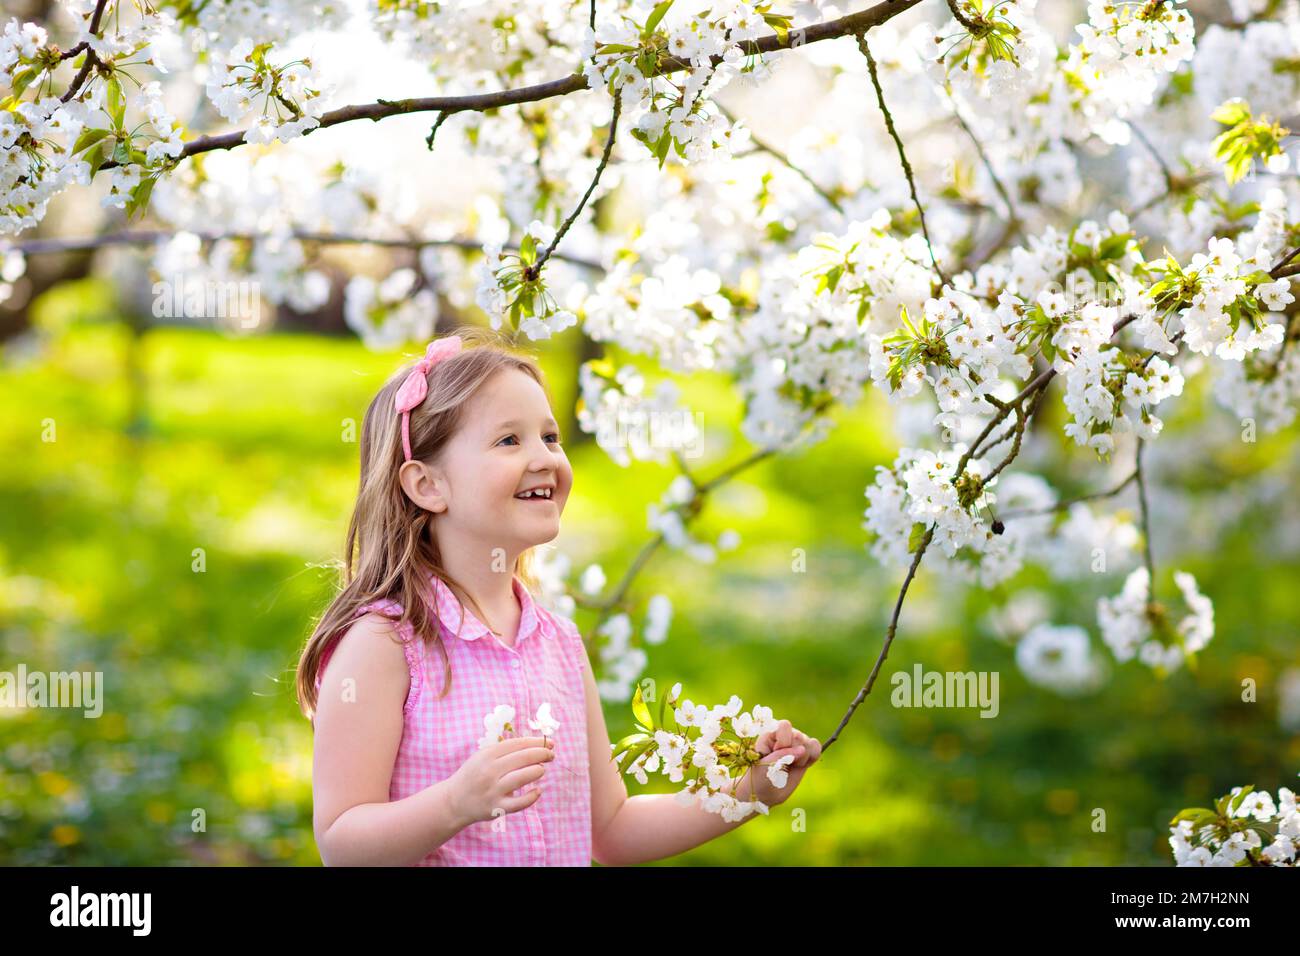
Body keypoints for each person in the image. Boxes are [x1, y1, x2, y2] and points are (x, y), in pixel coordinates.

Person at [295, 327, 820, 866]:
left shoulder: (558, 642)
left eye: (550, 437)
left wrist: (748, 790)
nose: (544, 457)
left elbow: (612, 831)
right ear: (427, 485)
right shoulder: (386, 644)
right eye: (509, 440)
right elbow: (342, 842)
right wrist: (454, 803)